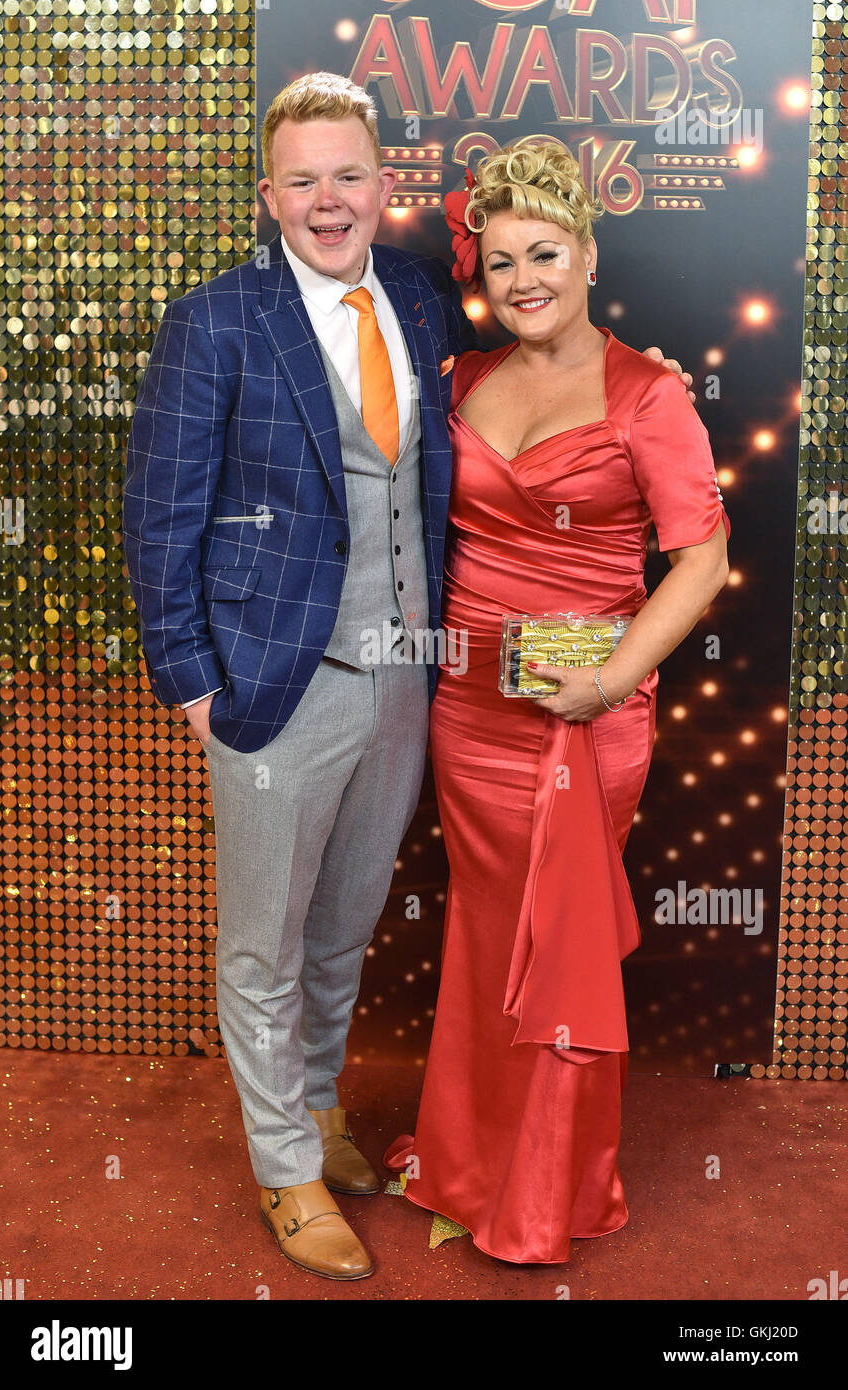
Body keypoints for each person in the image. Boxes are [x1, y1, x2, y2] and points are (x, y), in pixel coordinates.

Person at [123, 72, 692, 1282]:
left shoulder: (424, 303)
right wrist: (194, 684)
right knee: (263, 943)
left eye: (348, 175)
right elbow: (158, 515)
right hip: (272, 687)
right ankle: (284, 1170)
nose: (328, 201)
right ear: (267, 193)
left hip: (409, 684)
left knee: (342, 930)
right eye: (301, 180)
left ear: (383, 184)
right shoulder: (214, 320)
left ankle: (320, 1114)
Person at [394, 141, 730, 1265]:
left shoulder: (650, 392)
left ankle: (543, 1194)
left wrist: (614, 678)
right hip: (467, 716)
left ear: (588, 252)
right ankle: (468, 1159)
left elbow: (701, 558)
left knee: (560, 944)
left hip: (586, 719)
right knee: (489, 941)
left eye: (545, 252)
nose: (523, 277)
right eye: (501, 262)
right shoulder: (464, 379)